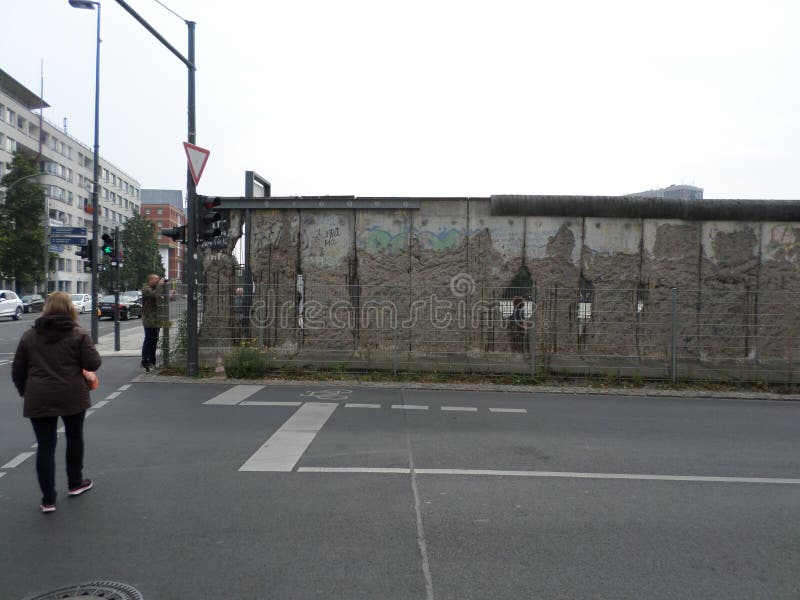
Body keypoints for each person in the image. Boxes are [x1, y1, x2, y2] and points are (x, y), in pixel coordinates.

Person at [12, 291, 101, 513]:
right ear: (69, 308)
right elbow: (93, 362)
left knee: (45, 446)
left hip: (39, 395)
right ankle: (75, 483)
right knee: (74, 438)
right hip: (72, 394)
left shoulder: (30, 336)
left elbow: (17, 370)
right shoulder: (78, 334)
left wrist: (26, 390)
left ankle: (48, 499)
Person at [141, 273, 164, 372]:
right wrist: (160, 285)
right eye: (156, 279)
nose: (158, 280)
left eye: (159, 279)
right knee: (149, 340)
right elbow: (153, 295)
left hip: (156, 319)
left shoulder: (156, 288)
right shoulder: (146, 288)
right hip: (149, 319)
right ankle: (145, 361)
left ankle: (152, 362)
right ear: (150, 280)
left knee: (154, 341)